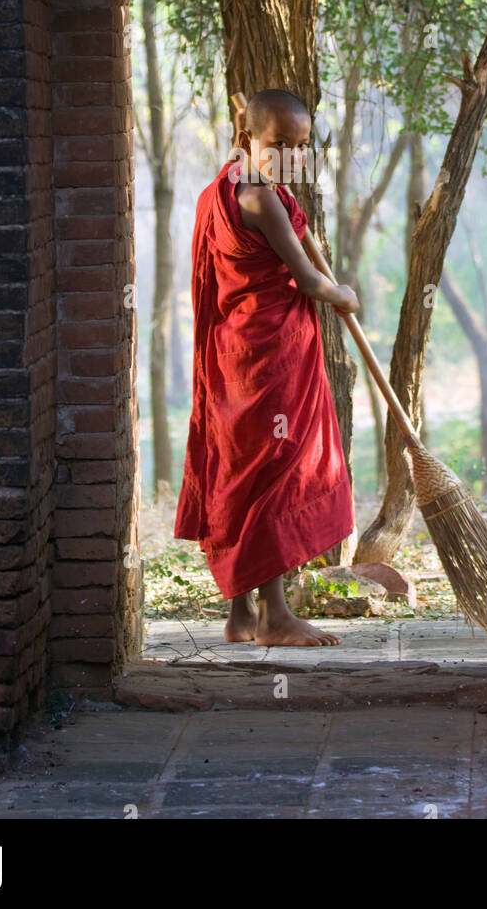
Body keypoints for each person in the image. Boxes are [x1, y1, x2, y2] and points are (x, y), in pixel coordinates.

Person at [173, 88, 360, 646]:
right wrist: (343, 294)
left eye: (300, 148)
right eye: (278, 144)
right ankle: (275, 617)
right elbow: (307, 280)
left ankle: (240, 616)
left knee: (240, 472)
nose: (290, 159)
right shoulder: (259, 199)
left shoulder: (221, 191)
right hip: (269, 356)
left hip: (234, 355)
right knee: (274, 474)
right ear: (246, 137)